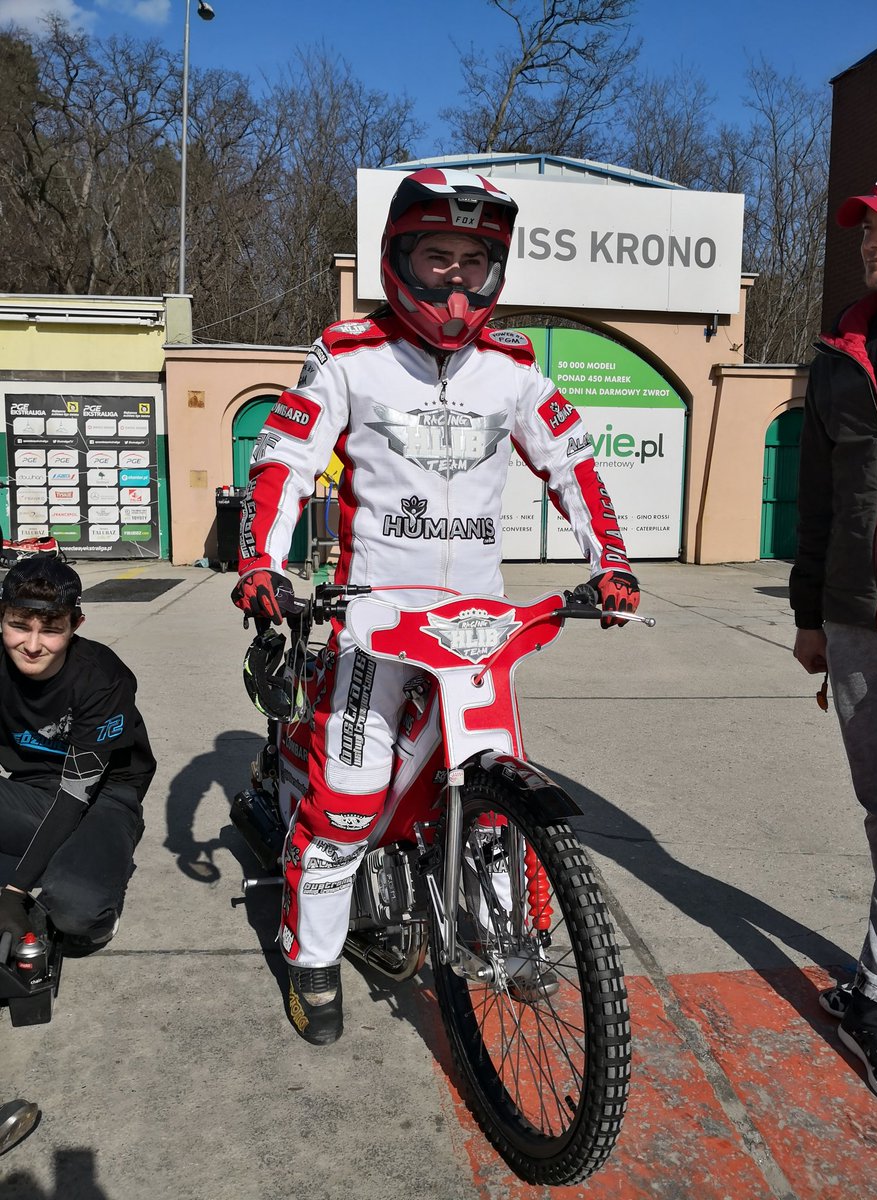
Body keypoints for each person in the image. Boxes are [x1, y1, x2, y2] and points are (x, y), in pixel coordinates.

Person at [232, 167, 639, 1045]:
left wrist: (612, 561)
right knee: (344, 808)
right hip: (373, 621)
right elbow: (286, 462)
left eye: (474, 261)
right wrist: (259, 561)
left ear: (495, 271)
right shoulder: (345, 354)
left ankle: (500, 941)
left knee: (493, 814)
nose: (455, 281)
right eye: (436, 257)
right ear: (397, 259)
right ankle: (311, 959)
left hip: (479, 628)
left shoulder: (514, 368)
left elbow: (574, 465)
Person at [790, 159, 877, 1108]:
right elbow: (818, 503)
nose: (874, 240)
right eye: (869, 227)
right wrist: (807, 618)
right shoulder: (837, 360)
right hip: (854, 620)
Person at [0, 556, 156, 949]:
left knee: (75, 913)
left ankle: (100, 855)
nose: (32, 645)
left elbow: (74, 794)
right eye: (18, 626)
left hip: (102, 797)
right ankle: (65, 860)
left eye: (51, 631)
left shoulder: (102, 676)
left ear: (75, 625)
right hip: (30, 790)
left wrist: (14, 891)